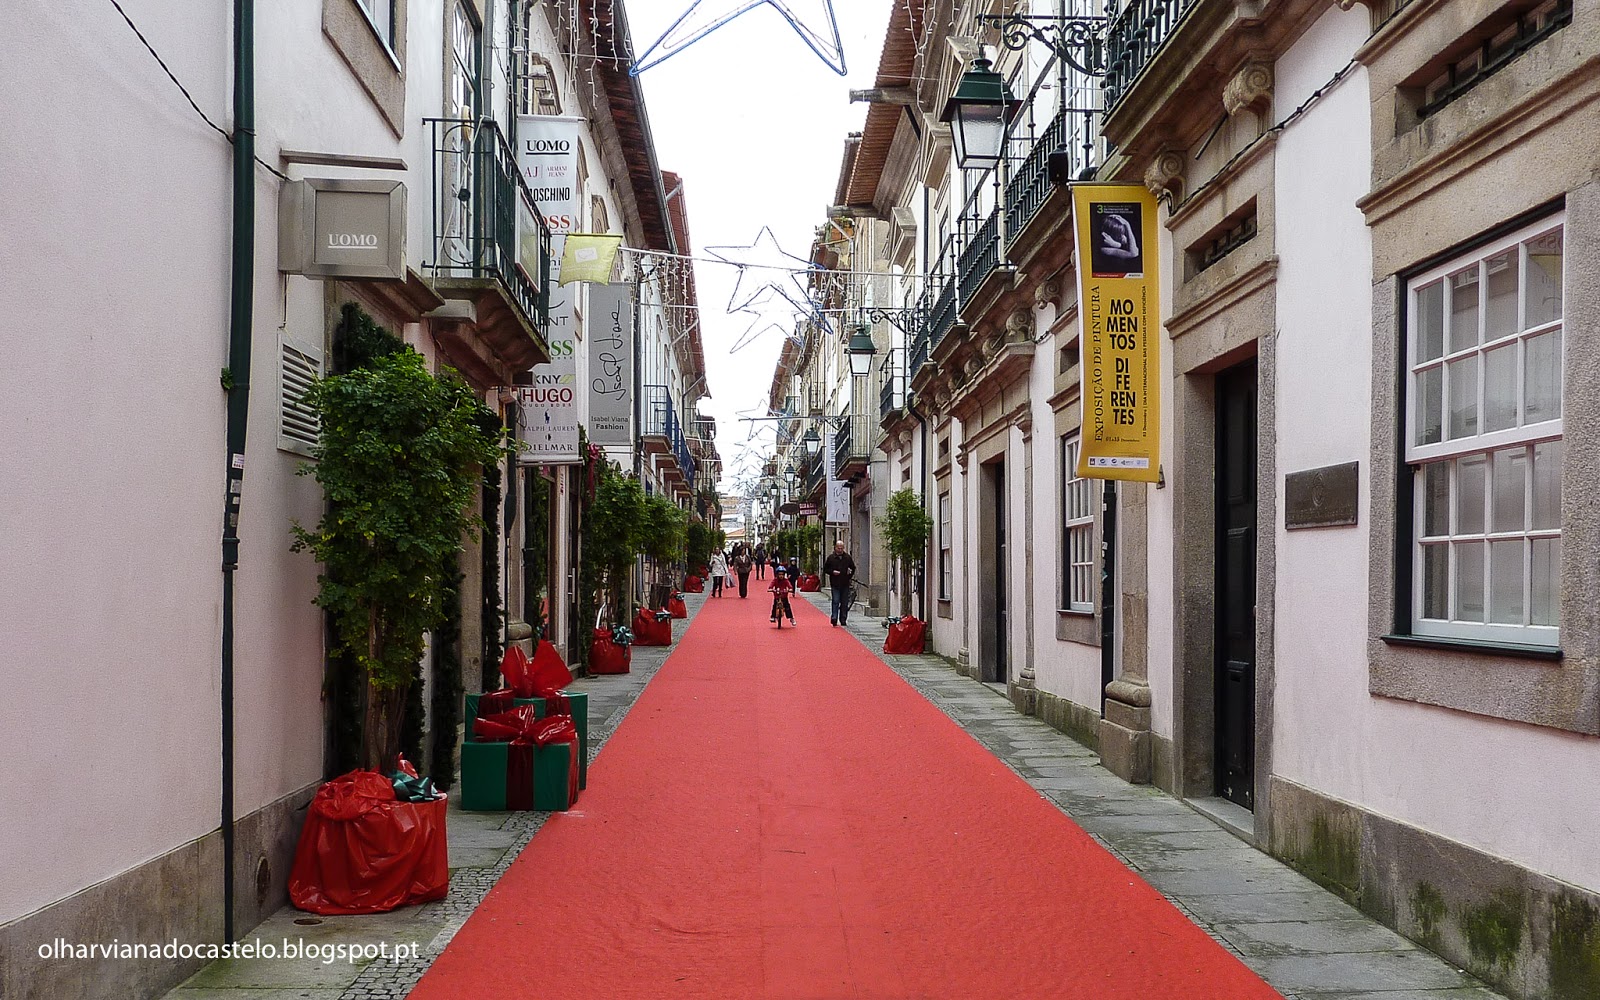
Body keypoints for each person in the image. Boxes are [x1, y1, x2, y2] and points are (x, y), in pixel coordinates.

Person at [822, 540, 857, 627]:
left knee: (844, 602)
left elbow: (853, 568)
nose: (840, 550)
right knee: (836, 601)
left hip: (845, 583)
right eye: (838, 548)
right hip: (835, 583)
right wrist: (832, 572)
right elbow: (825, 569)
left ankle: (843, 619)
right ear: (835, 547)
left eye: (841, 548)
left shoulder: (847, 558)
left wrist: (849, 576)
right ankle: (834, 618)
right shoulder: (831, 558)